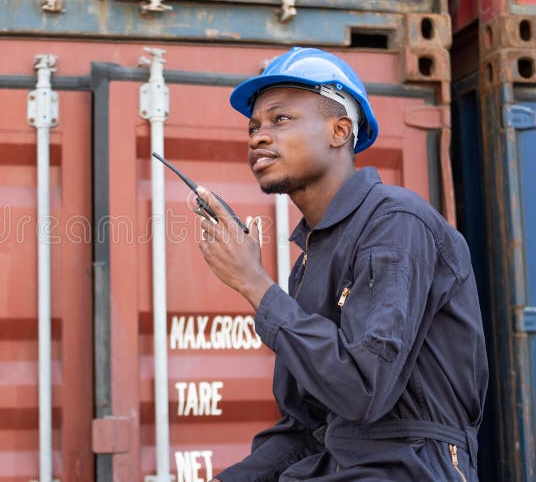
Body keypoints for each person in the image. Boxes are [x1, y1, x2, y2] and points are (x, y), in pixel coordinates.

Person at [193, 47, 488, 481]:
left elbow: (363, 389)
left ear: (339, 130)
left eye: (280, 119)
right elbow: (306, 430)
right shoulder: (311, 261)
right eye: (253, 126)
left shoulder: (396, 224)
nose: (257, 136)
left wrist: (254, 283)